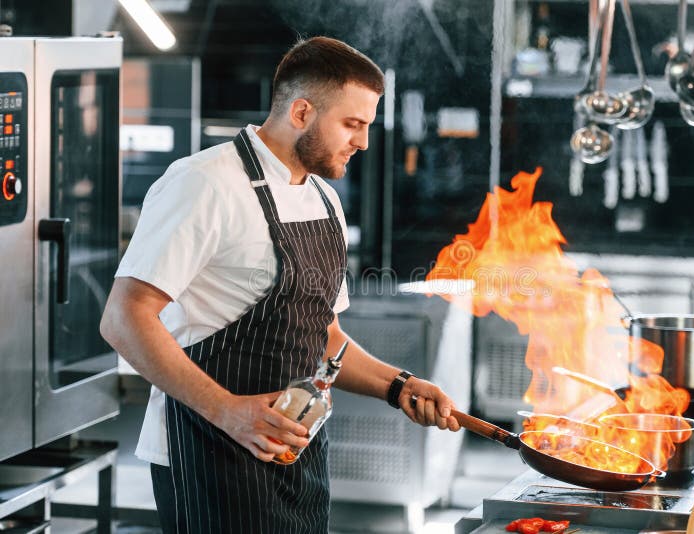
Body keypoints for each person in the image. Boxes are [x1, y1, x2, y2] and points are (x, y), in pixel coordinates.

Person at [100, 36, 461, 534]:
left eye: (367, 126)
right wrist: (229, 412)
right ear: (301, 112)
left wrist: (398, 384)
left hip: (297, 455)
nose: (363, 142)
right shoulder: (204, 183)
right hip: (208, 454)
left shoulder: (325, 201)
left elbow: (322, 337)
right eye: (352, 124)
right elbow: (124, 317)